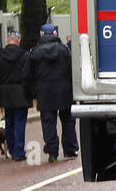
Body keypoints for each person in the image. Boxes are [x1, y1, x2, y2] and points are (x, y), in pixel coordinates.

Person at [28, 24, 79, 162]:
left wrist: (34, 90)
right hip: (64, 90)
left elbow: (29, 74)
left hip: (44, 91)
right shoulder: (64, 50)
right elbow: (72, 70)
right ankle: (70, 149)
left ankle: (52, 152)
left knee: (48, 123)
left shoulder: (35, 52)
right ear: (55, 34)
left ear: (41, 35)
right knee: (68, 121)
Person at [0, 30, 31, 161]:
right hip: (21, 92)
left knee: (9, 121)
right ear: (18, 41)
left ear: (7, 41)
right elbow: (30, 73)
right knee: (20, 122)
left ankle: (11, 149)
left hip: (5, 93)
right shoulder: (25, 56)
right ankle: (19, 150)